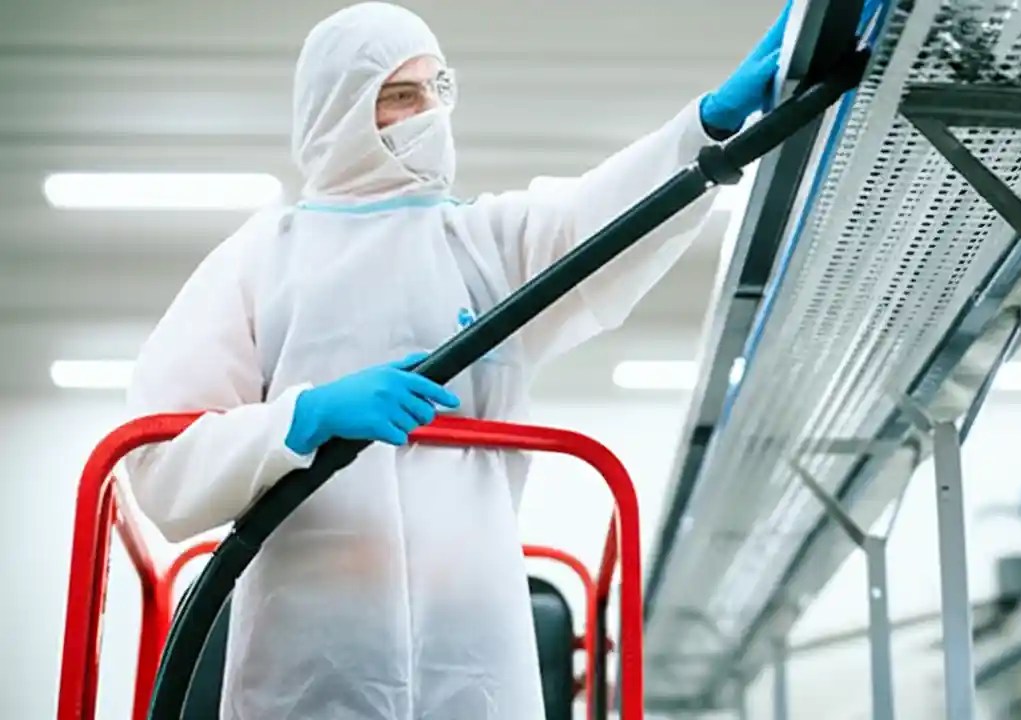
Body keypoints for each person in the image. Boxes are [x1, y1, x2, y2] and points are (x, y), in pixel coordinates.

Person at [124, 2, 789, 718]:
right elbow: (161, 460)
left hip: (471, 641)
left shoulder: (484, 242)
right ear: (337, 111)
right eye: (401, 96)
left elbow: (601, 219)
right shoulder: (261, 259)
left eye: (438, 89)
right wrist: (304, 417)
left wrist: (708, 126)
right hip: (311, 644)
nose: (429, 115)